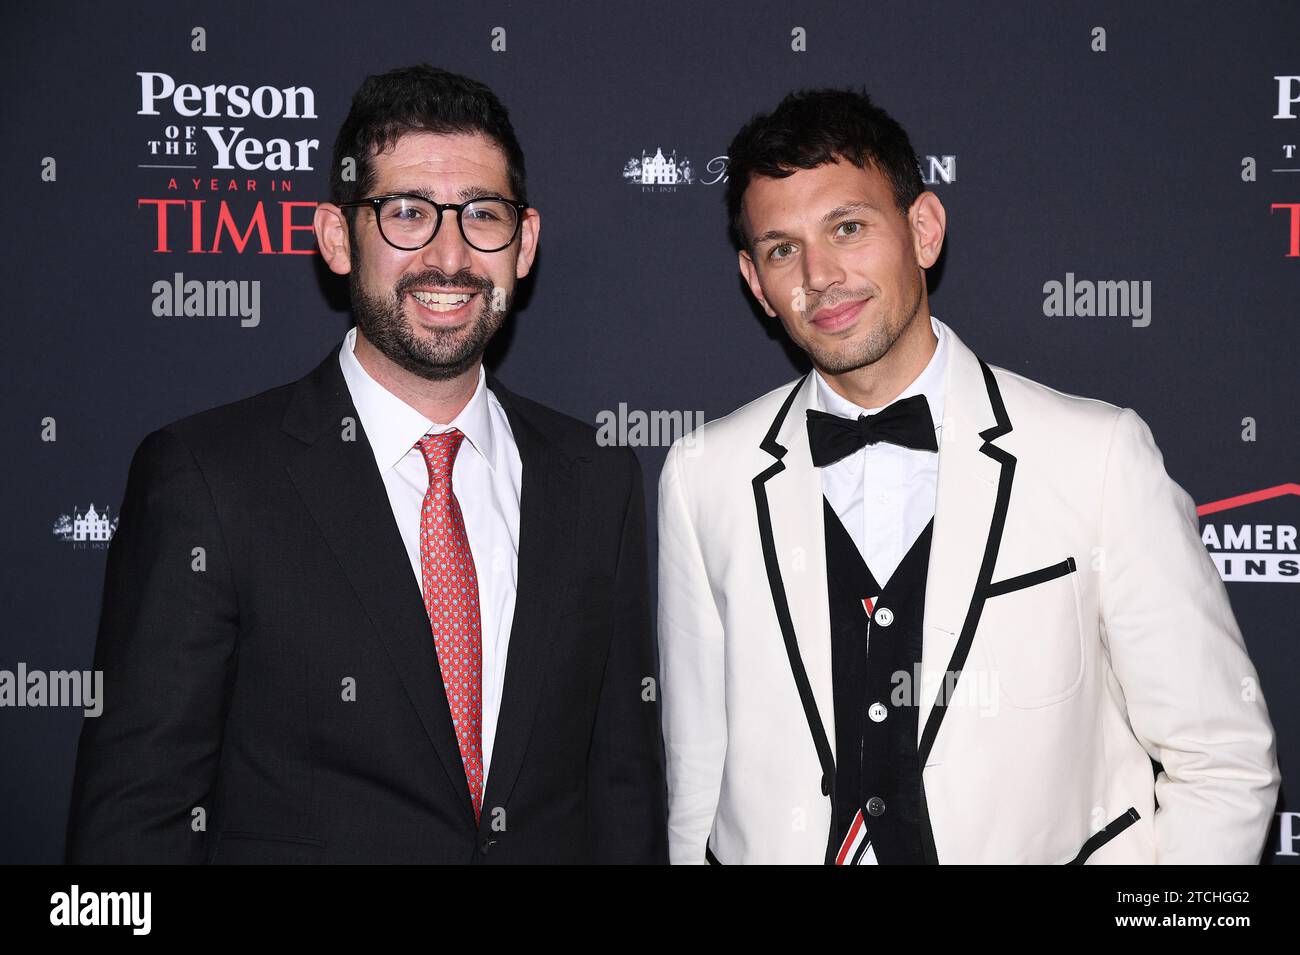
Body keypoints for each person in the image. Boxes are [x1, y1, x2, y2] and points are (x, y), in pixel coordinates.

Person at [656, 87, 1279, 864]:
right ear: (756, 281)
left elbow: (1221, 757)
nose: (819, 274)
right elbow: (696, 779)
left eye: (848, 227)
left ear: (923, 229)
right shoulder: (702, 476)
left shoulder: (1098, 455)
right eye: (783, 249)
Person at [66, 64, 666, 864]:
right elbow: (135, 822)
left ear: (523, 244)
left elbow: (621, 793)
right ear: (337, 237)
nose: (449, 256)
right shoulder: (207, 479)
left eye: (481, 215)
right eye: (407, 213)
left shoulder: (597, 477)